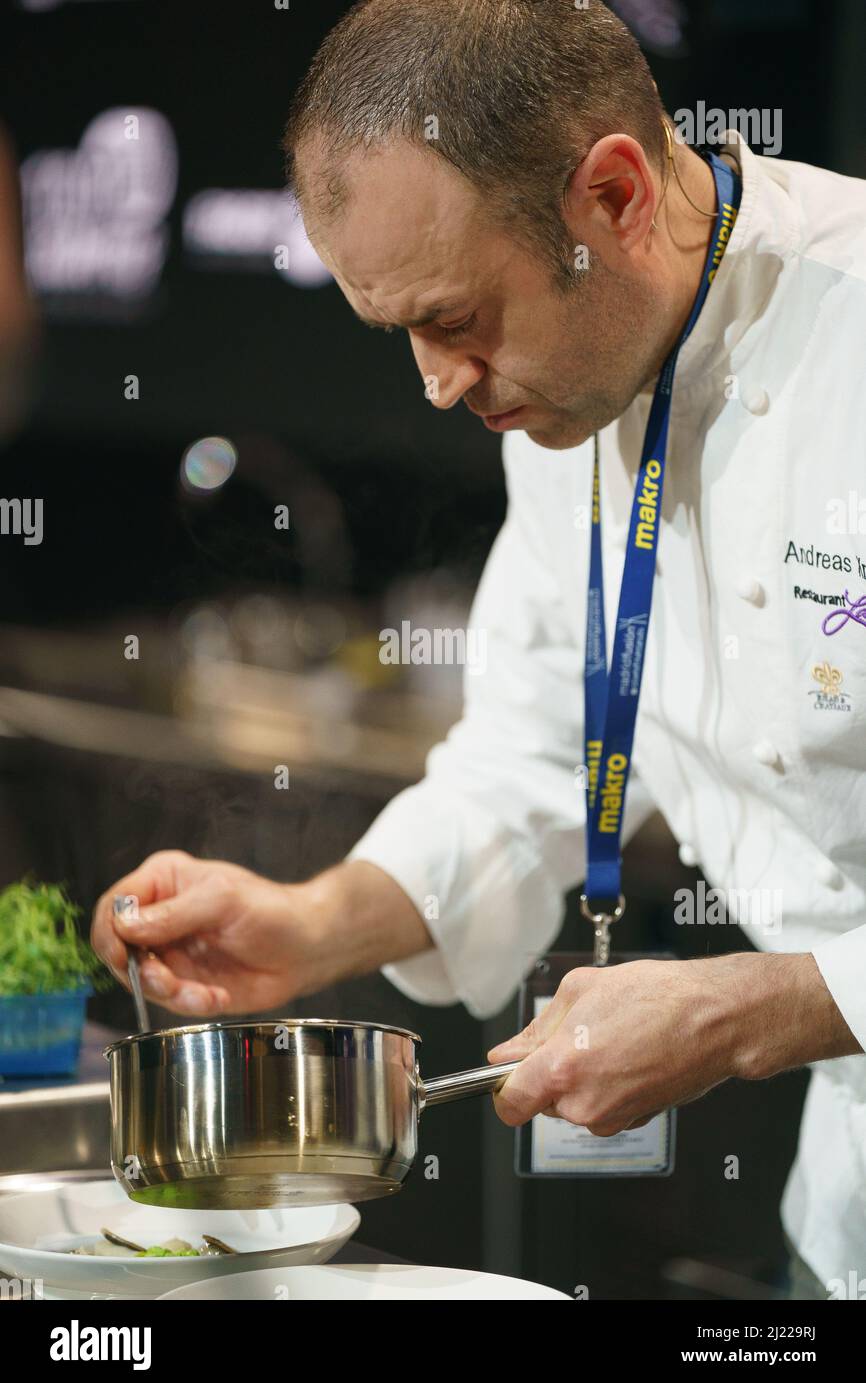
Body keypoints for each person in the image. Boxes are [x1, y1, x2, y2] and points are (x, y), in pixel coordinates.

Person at [92, 1, 866, 1301]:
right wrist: (310, 923)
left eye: (454, 318)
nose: (437, 383)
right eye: (397, 331)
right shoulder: (567, 390)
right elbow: (527, 757)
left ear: (613, 197)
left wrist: (747, 1009)